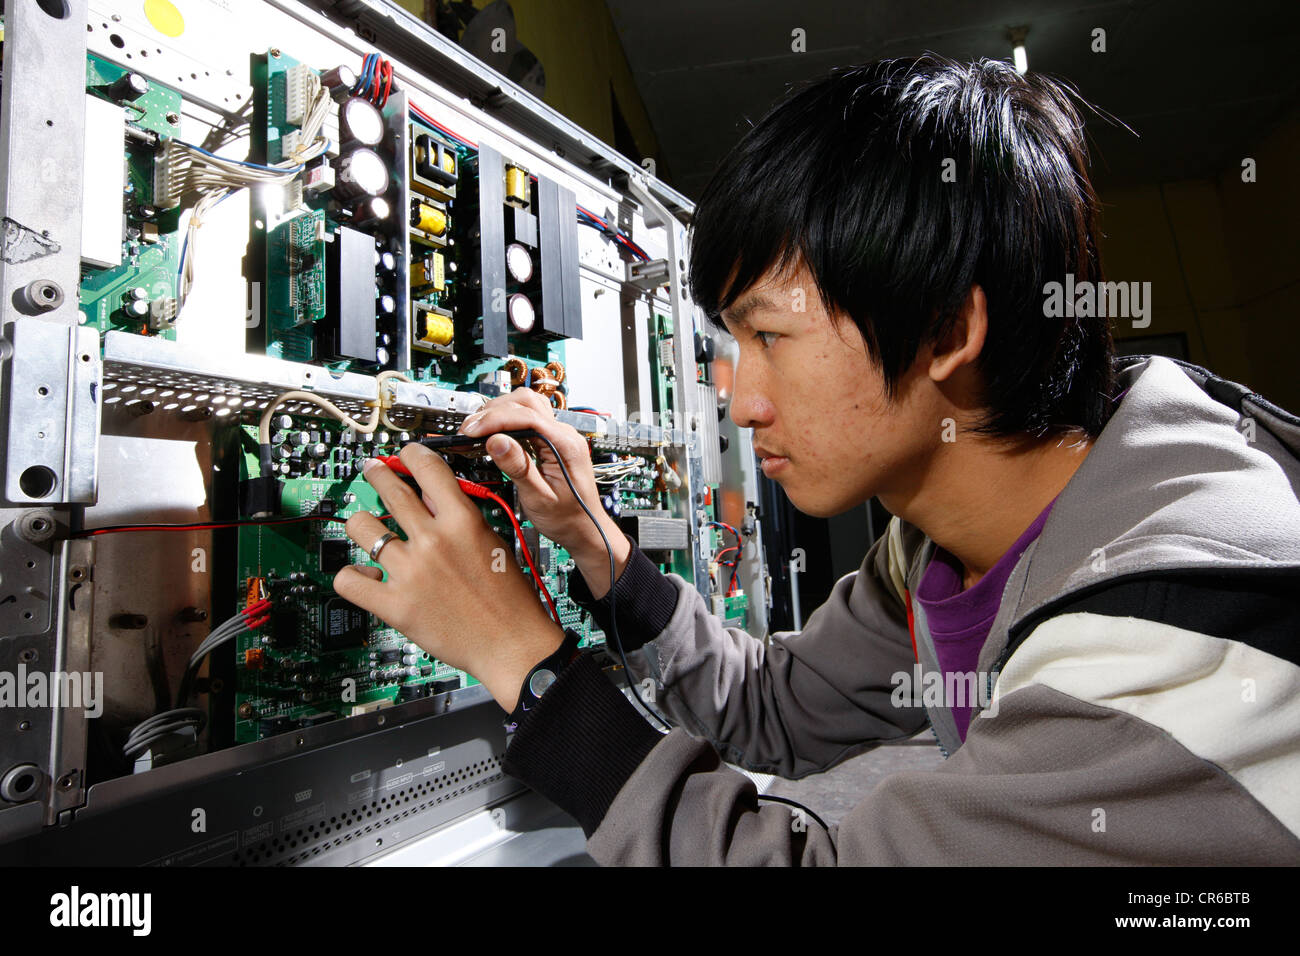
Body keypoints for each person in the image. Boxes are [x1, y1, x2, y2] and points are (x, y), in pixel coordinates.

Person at [335, 55, 1300, 864]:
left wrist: (525, 662)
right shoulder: (933, 548)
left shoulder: (1183, 633)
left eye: (772, 339)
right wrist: (596, 547)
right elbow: (772, 707)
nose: (741, 400)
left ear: (941, 329)